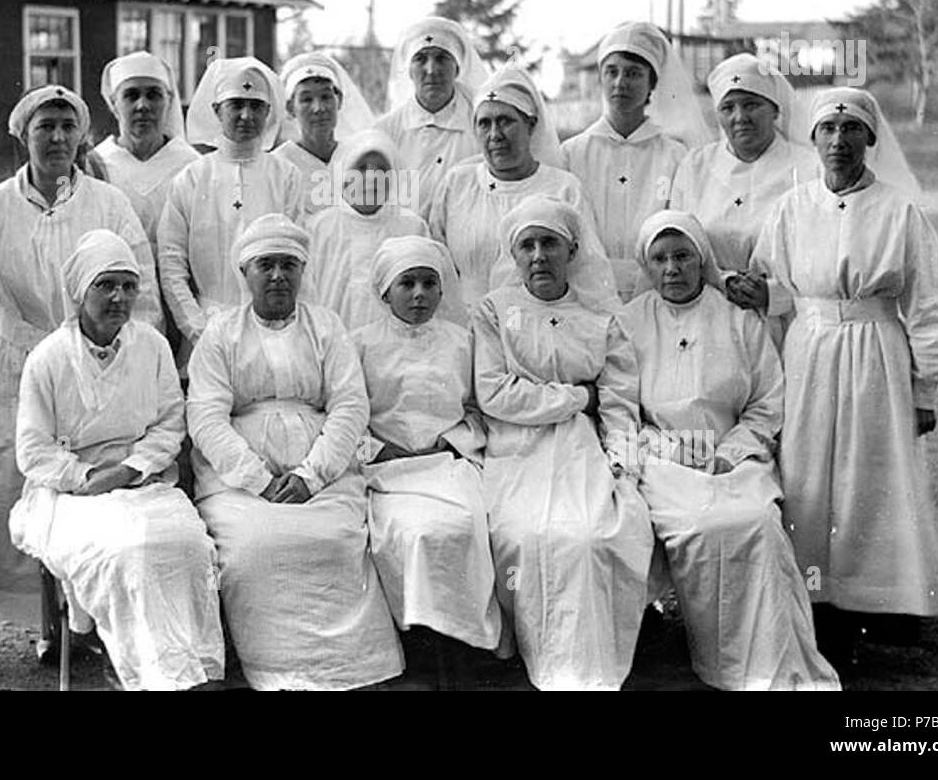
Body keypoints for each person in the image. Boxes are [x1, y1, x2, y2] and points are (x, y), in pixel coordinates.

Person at [0, 83, 160, 642]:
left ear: (82, 135)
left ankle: (90, 617)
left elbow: (140, 291)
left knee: (94, 482)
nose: (57, 138)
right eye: (44, 127)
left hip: (96, 361)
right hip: (19, 362)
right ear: (24, 136)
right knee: (30, 484)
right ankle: (49, 620)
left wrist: (128, 355)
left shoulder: (107, 203)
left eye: (67, 127)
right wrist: (1, 314)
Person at [752, 87, 938, 642]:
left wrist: (924, 389)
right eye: (827, 131)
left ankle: (884, 598)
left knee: (875, 469)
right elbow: (781, 290)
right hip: (810, 351)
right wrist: (761, 294)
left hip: (876, 351)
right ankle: (814, 594)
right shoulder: (791, 208)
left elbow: (928, 307)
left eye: (851, 130)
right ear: (813, 138)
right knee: (808, 468)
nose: (839, 142)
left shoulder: (899, 209)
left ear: (870, 137)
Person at [619, 210, 839, 690]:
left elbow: (766, 401)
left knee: (757, 524)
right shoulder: (628, 323)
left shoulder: (739, 319)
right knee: (701, 526)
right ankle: (718, 661)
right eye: (660, 259)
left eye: (683, 256)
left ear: (703, 260)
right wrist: (664, 451)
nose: (672, 269)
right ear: (646, 265)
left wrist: (731, 452)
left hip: (734, 457)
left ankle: (770, 666)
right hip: (660, 462)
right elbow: (620, 408)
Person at [186, 214, 403, 689]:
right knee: (253, 547)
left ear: (303, 271)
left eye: (289, 265)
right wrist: (257, 480)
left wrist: (312, 474)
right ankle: (274, 670)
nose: (279, 276)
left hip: (322, 470)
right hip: (239, 478)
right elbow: (205, 417)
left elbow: (349, 405)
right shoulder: (220, 334)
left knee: (339, 539)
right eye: (266, 265)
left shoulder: (326, 328)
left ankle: (348, 669)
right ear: (245, 274)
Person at [10, 230, 225, 690]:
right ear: (80, 292)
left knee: (186, 542)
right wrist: (87, 475)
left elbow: (170, 423)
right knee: (126, 552)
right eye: (105, 285)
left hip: (142, 480)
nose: (119, 297)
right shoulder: (46, 360)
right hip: (73, 493)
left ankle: (189, 666)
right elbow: (33, 449)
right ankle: (136, 664)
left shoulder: (152, 345)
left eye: (129, 286)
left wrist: (131, 468)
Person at [471, 194, 652, 689]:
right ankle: (549, 665)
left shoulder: (599, 318)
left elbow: (618, 402)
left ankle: (589, 674)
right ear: (514, 255)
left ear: (571, 251)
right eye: (526, 245)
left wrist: (624, 465)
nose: (537, 256)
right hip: (516, 450)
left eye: (548, 243)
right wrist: (576, 396)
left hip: (582, 450)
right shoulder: (495, 312)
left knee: (593, 535)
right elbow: (495, 394)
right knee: (529, 537)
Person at [355, 236, 502, 669]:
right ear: (386, 291)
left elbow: (479, 410)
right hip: (387, 472)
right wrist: (379, 451)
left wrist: (451, 441)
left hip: (450, 465)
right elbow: (346, 416)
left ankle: (466, 640)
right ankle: (424, 638)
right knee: (417, 533)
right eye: (407, 284)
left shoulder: (463, 342)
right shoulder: (358, 344)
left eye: (429, 283)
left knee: (468, 526)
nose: (420, 295)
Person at [428, 62, 615, 316]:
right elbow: (436, 263)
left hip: (537, 326)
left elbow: (587, 273)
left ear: (530, 124)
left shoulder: (563, 188)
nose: (495, 134)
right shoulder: (457, 184)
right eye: (485, 123)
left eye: (505, 121)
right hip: (463, 323)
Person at [158, 57, 304, 358]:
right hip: (205, 331)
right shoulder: (191, 178)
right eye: (236, 104)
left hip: (274, 333)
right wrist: (198, 329)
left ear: (268, 112)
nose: (246, 115)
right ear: (216, 110)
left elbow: (299, 258)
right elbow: (172, 264)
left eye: (256, 106)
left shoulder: (286, 176)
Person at [561, 22, 709, 301]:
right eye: (612, 72)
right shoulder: (572, 153)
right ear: (600, 78)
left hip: (656, 293)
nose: (620, 83)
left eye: (633, 74)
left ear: (652, 83)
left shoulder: (675, 155)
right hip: (586, 293)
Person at [669, 52, 818, 316]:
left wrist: (771, 294)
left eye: (751, 105)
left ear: (775, 109)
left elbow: (821, 259)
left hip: (785, 317)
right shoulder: (695, 166)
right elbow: (679, 243)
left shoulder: (809, 168)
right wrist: (723, 280)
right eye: (728, 108)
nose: (740, 117)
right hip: (711, 312)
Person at [305, 128, 434, 333]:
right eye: (362, 169)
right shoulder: (318, 228)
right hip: (329, 341)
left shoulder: (412, 227)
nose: (372, 177)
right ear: (344, 175)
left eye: (381, 170)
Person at [374, 16, 489, 219]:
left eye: (442, 58)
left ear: (457, 67)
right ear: (409, 70)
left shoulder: (484, 122)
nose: (431, 70)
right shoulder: (384, 132)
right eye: (420, 59)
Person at [92, 51, 200, 252]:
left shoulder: (192, 166)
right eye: (131, 96)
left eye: (153, 95)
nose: (142, 106)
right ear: (114, 104)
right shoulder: (95, 165)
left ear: (168, 101)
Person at [274, 52, 373, 218]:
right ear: (291, 108)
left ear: (339, 100)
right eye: (306, 99)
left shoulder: (359, 158)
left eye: (326, 97)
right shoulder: (278, 165)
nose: (318, 108)